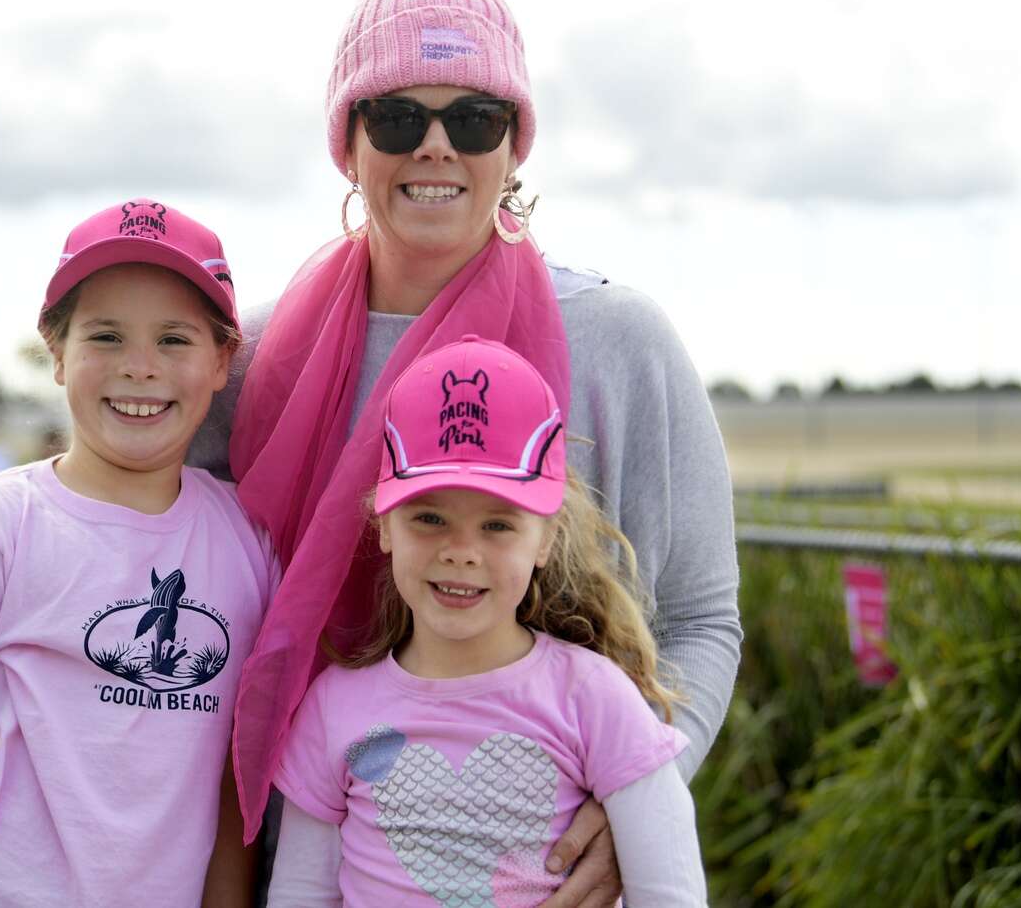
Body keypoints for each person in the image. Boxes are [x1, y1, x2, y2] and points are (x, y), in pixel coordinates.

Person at [0, 0, 740, 904]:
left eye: (476, 118)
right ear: (348, 141)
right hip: (280, 851)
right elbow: (127, 552)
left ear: (516, 142)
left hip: (542, 876)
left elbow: (701, 615)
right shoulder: (252, 359)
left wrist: (636, 810)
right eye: (397, 114)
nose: (435, 146)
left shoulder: (620, 344)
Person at [0, 202, 281, 908]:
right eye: (106, 336)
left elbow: (232, 798)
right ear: (57, 353)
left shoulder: (250, 541)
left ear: (222, 361)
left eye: (174, 340)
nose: (139, 367)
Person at [265, 337, 706, 906]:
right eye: (429, 518)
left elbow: (670, 892)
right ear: (384, 524)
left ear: (545, 538)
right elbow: (301, 892)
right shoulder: (334, 707)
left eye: (497, 526)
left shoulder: (593, 698)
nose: (461, 552)